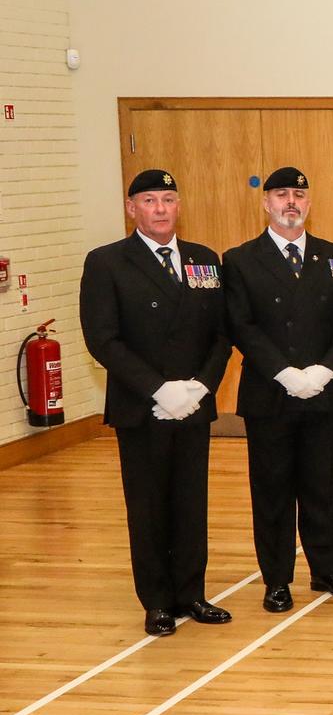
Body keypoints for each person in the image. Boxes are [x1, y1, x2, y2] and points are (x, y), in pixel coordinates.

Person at [79, 168, 234, 637]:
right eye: (150, 201)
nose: (161, 209)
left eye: (168, 199)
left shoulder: (204, 260)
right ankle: (157, 601)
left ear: (179, 205)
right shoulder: (107, 262)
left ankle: (192, 592)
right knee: (147, 506)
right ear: (132, 209)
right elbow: (102, 339)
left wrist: (200, 387)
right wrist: (158, 388)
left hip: (192, 404)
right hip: (142, 406)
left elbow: (221, 335)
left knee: (191, 501)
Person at [222, 166, 333, 612]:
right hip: (270, 393)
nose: (291, 202)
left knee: (321, 484)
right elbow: (240, 324)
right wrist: (283, 372)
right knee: (272, 489)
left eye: (299, 195)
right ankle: (277, 579)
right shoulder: (241, 259)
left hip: (323, 391)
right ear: (266, 203)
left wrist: (326, 371)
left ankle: (326, 569)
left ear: (309, 202)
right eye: (281, 194)